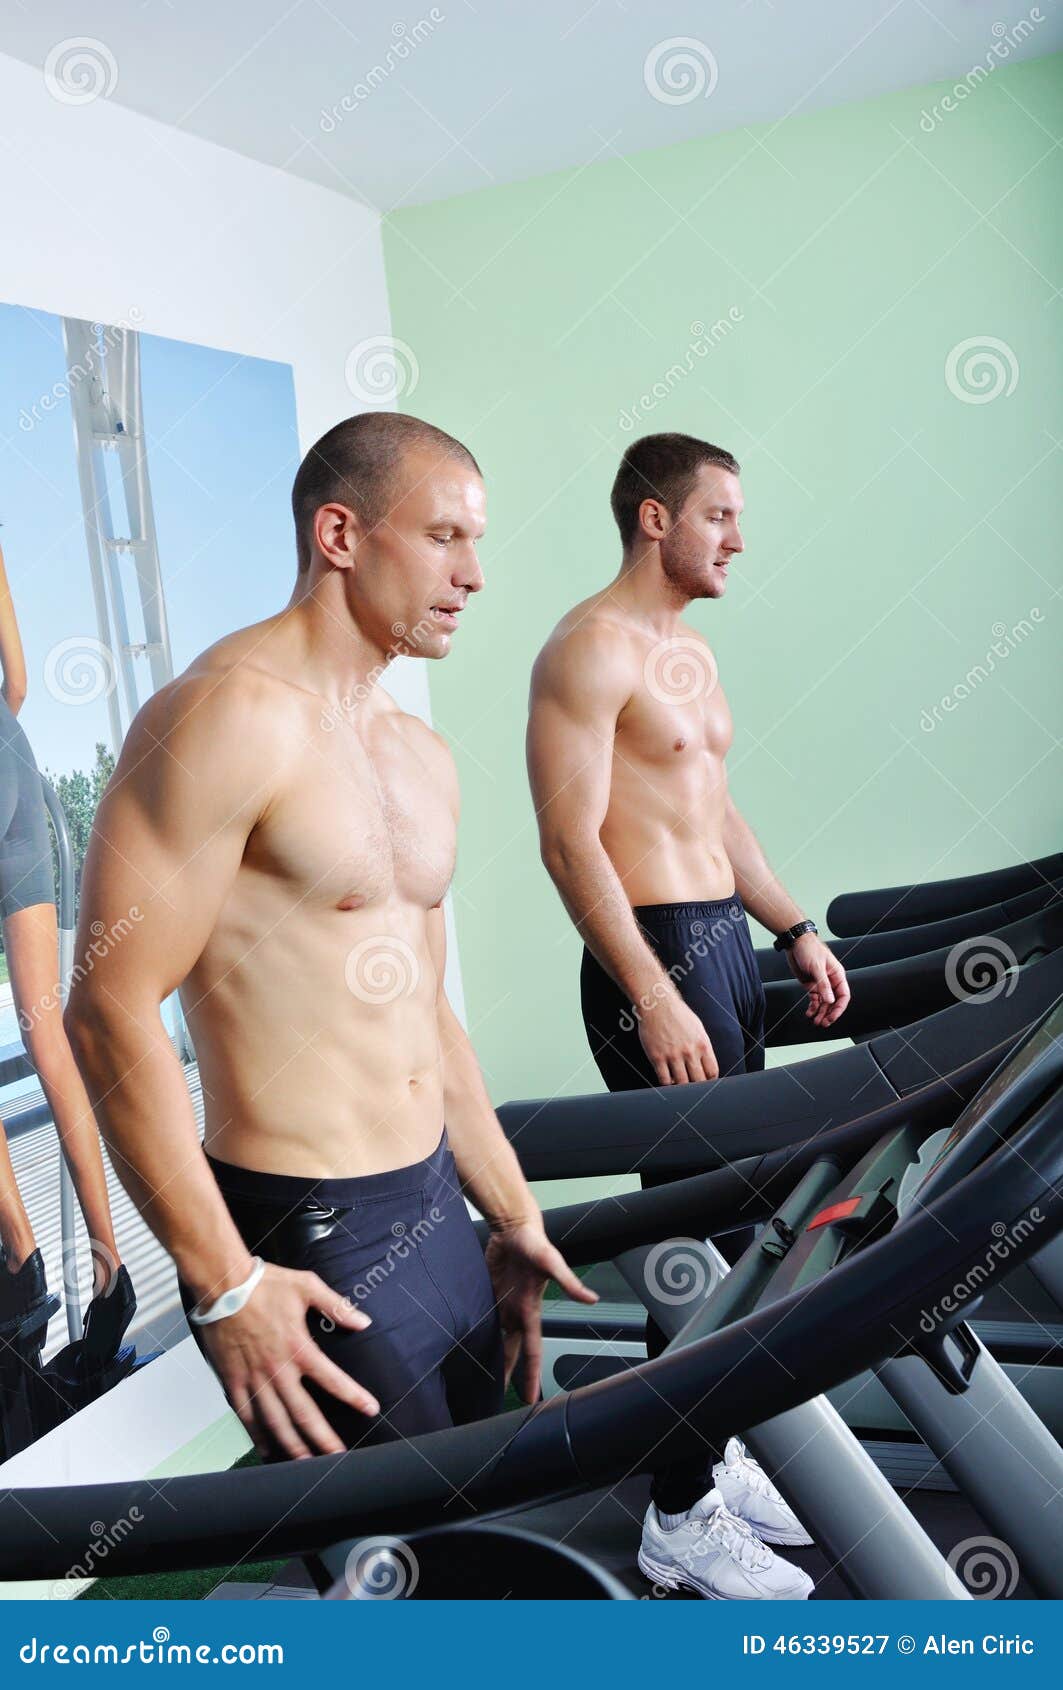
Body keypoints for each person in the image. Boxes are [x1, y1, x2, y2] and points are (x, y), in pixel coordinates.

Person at [65, 412, 595, 1471]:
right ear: (340, 535)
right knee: (415, 1578)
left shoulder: (418, 753)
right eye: (444, 536)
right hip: (304, 1227)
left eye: (475, 541)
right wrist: (224, 1281)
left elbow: (426, 1012)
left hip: (436, 1203)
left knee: (478, 1541)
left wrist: (512, 1207)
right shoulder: (222, 716)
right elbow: (107, 1006)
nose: (474, 573)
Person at [527, 430, 851, 1599]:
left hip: (717, 941)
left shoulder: (690, 656)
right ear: (655, 518)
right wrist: (653, 990)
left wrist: (793, 926)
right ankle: (675, 1515)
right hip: (646, 960)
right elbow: (569, 843)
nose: (739, 538)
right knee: (691, 1242)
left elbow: (718, 816)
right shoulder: (585, 650)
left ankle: (709, 1450)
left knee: (750, 1226)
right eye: (720, 515)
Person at [0, 535, 135, 1373]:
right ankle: (109, 1262)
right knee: (45, 1027)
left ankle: (20, 1265)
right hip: (12, 762)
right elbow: (14, 682)